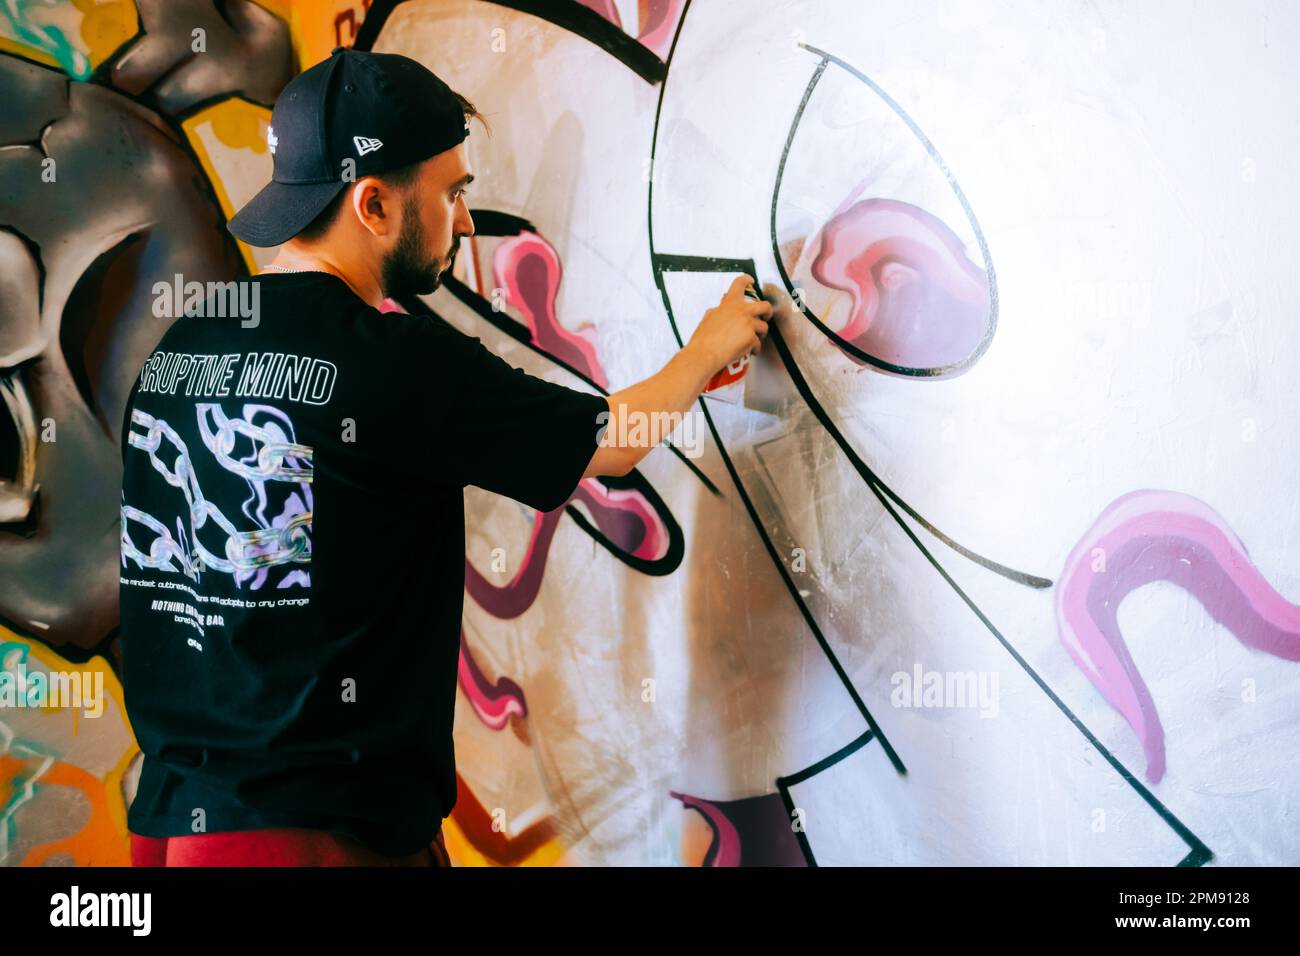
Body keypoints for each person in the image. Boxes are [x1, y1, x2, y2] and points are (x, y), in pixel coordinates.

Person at [119, 47, 771, 867]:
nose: (465, 220)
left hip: (176, 824)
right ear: (375, 203)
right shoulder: (395, 359)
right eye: (453, 191)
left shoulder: (181, 349)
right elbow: (608, 442)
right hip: (319, 840)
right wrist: (704, 351)